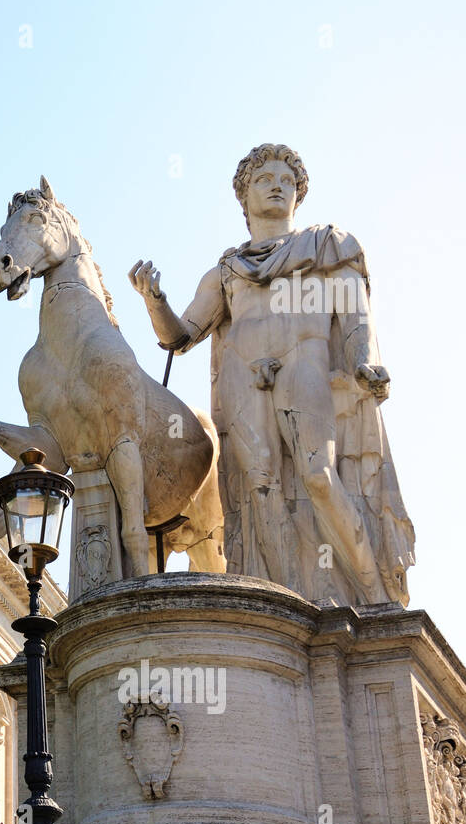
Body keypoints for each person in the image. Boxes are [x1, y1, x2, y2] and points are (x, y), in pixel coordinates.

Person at [128, 143, 413, 606]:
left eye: (287, 180)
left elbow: (356, 315)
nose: (278, 186)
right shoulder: (227, 272)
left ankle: (374, 593)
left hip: (305, 365)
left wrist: (365, 360)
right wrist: (154, 302)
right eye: (264, 180)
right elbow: (181, 337)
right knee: (257, 490)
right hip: (243, 380)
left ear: (299, 192)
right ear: (244, 196)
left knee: (319, 476)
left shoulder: (326, 245)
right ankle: (284, 603)